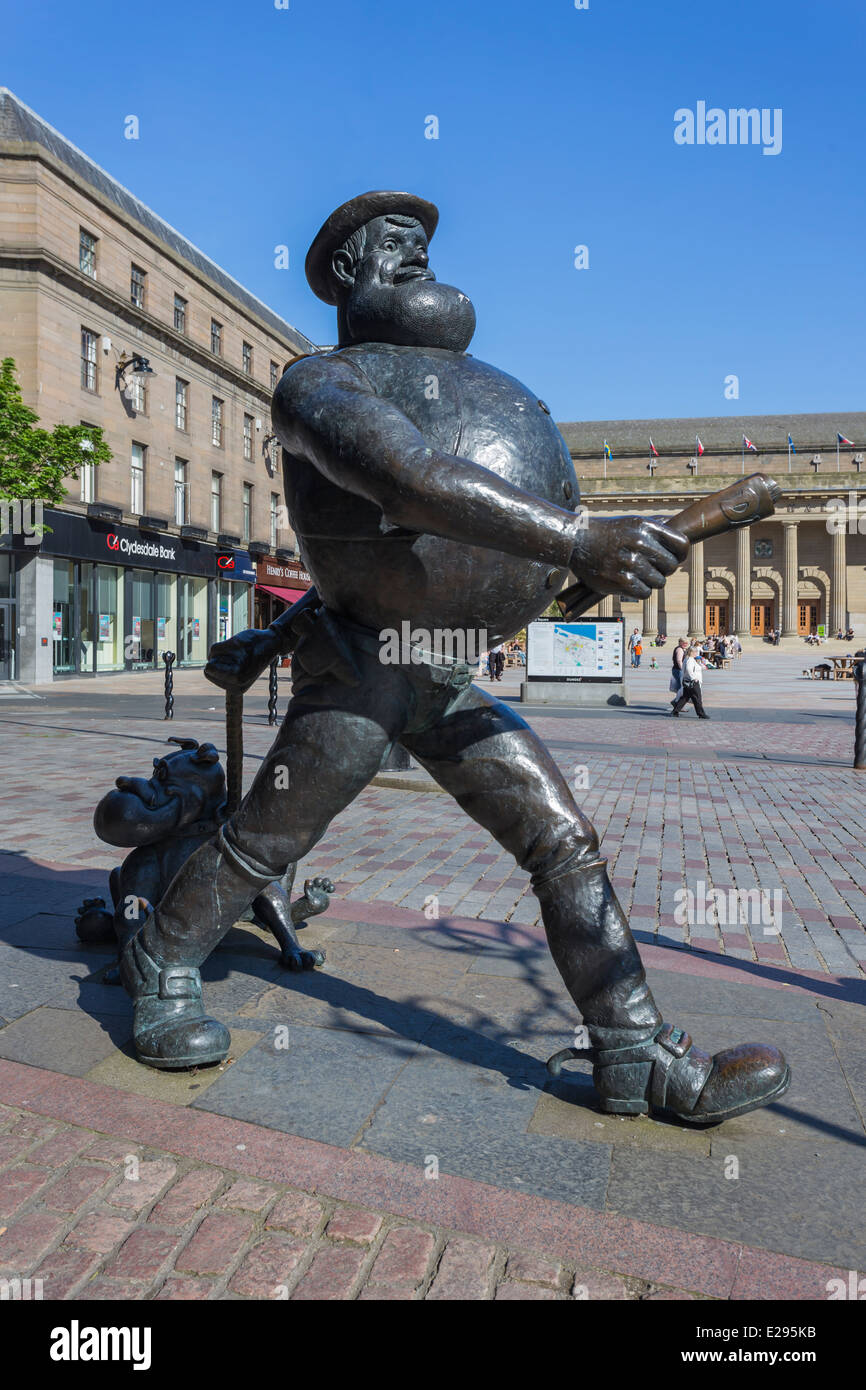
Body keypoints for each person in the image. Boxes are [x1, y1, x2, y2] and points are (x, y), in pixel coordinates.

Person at [115, 189, 788, 1127]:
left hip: (443, 670)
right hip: (365, 667)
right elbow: (406, 483)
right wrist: (577, 539)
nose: (421, 252)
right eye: (397, 242)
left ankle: (634, 1050)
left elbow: (418, 550)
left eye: (426, 239)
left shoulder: (455, 378)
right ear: (350, 271)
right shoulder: (319, 382)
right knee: (270, 839)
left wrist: (564, 573)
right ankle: (163, 959)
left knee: (562, 841)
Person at [672, 644, 709, 718]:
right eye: (695, 652)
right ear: (691, 652)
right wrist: (693, 678)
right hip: (692, 682)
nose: (696, 653)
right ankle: (701, 714)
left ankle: (675, 711)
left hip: (687, 682)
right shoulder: (690, 660)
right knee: (697, 698)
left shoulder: (688, 659)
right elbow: (689, 670)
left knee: (685, 697)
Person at [669, 637, 688, 704]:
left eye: (686, 643)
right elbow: (679, 660)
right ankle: (677, 703)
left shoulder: (681, 649)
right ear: (680, 642)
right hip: (678, 670)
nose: (686, 644)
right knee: (681, 688)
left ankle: (677, 703)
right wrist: (682, 669)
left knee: (680, 688)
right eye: (684, 643)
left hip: (677, 670)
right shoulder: (680, 649)